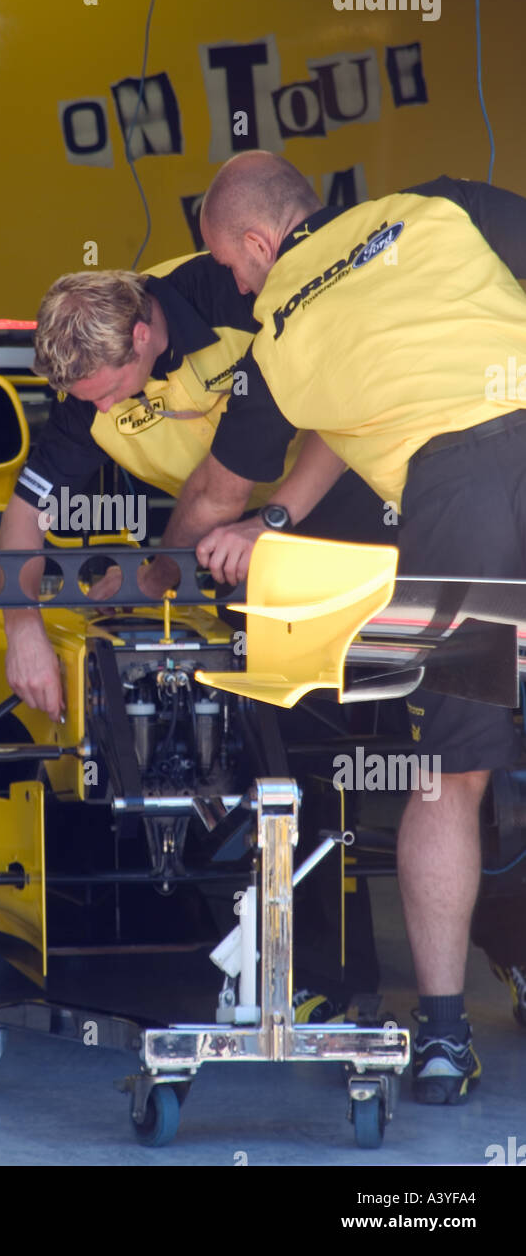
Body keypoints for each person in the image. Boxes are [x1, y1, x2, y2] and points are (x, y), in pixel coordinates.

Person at [189, 148, 526, 1104]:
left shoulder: (277, 339)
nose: (240, 283)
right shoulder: (434, 208)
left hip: (455, 503)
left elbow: (222, 491)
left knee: (443, 778)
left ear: (258, 243)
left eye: (233, 264)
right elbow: (370, 394)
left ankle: (445, 1038)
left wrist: (254, 530)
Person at [0, 253, 389, 721]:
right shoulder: (84, 403)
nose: (102, 409)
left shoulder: (236, 290)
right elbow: (24, 515)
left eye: (108, 390)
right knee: (275, 703)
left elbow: (347, 394)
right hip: (248, 540)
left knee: (394, 665)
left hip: (360, 487)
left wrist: (153, 579)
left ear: (141, 337)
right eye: (90, 399)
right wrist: (22, 629)